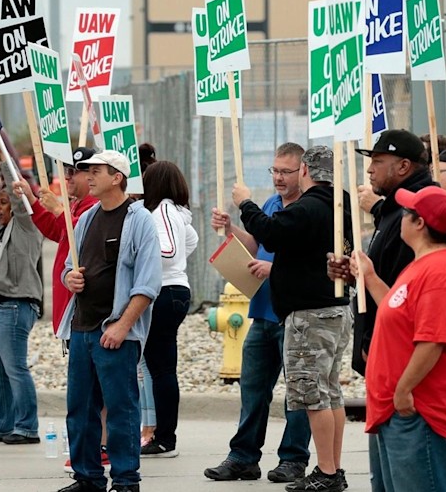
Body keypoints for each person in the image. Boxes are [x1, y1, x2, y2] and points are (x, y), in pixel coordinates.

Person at [235, 145, 352, 492]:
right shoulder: (340, 203)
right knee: (330, 392)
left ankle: (327, 472)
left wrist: (245, 203)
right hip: (333, 307)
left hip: (309, 314)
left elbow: (272, 233)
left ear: (305, 171)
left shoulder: (311, 206)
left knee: (312, 396)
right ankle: (333, 467)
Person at [351, 186, 446, 492]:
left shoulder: (441, 272)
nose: (400, 218)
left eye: (406, 212)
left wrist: (404, 390)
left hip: (420, 409)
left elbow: (434, 341)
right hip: (397, 408)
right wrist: (369, 276)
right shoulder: (423, 263)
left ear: (419, 223)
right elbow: (397, 308)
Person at [328, 129, 431, 492]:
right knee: (386, 473)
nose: (369, 171)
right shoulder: (394, 209)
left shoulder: (416, 213)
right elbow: (384, 277)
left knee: (408, 470)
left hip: (399, 354)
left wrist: (368, 277)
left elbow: (407, 297)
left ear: (404, 165)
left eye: (377, 163)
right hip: (382, 350)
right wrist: (355, 276)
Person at [205, 142, 313, 484]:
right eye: (275, 170)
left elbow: (303, 259)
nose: (279, 178)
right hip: (263, 313)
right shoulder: (271, 203)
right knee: (252, 390)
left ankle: (293, 458)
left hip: (293, 314)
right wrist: (229, 230)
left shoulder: (310, 209)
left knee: (297, 393)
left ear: (304, 171)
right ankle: (243, 456)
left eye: (286, 171)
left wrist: (273, 269)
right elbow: (257, 244)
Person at [59, 150, 162, 492]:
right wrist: (68, 279)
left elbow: (148, 284)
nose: (87, 176)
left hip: (114, 333)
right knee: (80, 410)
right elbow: (68, 269)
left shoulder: (140, 220)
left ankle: (125, 480)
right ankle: (87, 477)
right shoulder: (86, 218)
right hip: (81, 329)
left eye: (95, 171)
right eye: (86, 171)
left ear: (117, 177)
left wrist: (122, 326)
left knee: (121, 410)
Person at [0, 156, 45, 446]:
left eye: (5, 204)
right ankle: (2, 423)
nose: (0, 209)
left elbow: (18, 199)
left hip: (14, 303)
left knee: (15, 367)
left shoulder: (26, 226)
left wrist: (3, 165)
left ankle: (27, 426)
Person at [138, 160, 199, 458]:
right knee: (163, 369)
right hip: (176, 290)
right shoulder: (177, 212)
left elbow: (168, 251)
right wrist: (177, 267)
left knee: (160, 370)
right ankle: (164, 436)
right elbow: (191, 241)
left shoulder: (160, 210)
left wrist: (138, 256)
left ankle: (164, 439)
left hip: (163, 291)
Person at [20, 147, 100, 336]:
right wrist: (31, 199)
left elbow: (85, 234)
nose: (67, 178)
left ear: (91, 175)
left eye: (73, 172)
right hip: (71, 300)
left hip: (83, 303)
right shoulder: (76, 205)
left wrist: (58, 209)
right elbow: (56, 231)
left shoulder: (96, 205)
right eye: (66, 172)